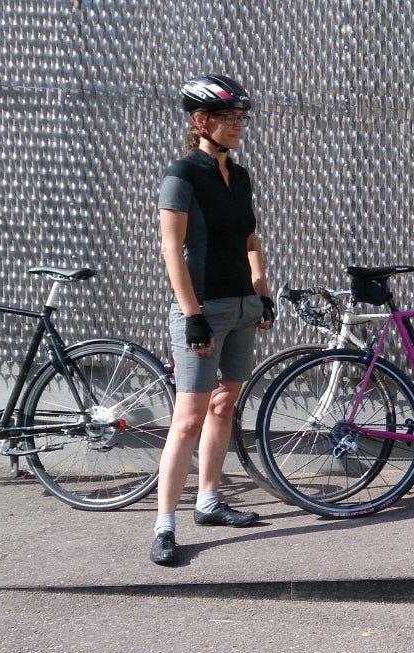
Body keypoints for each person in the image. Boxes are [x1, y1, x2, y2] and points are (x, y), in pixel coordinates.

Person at [150, 74, 274, 565]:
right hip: (203, 311)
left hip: (241, 307)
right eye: (229, 118)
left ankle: (209, 501)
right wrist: (192, 315)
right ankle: (164, 525)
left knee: (224, 407)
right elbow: (171, 249)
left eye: (241, 118)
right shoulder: (182, 175)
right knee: (187, 420)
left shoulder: (239, 177)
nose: (238, 125)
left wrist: (262, 293)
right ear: (201, 122)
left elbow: (249, 240)